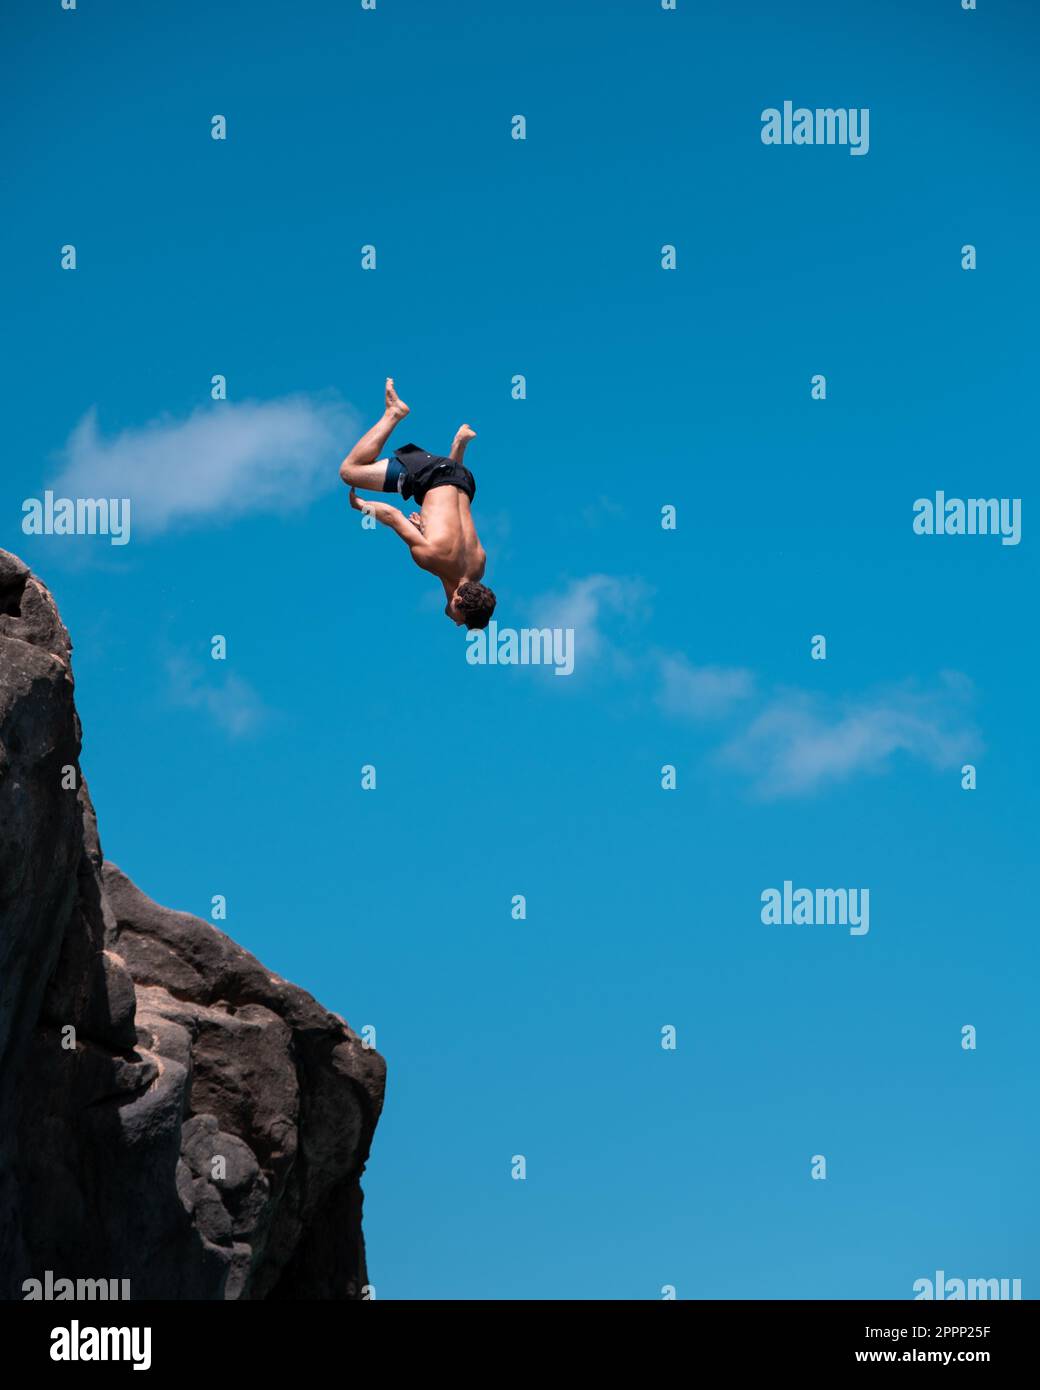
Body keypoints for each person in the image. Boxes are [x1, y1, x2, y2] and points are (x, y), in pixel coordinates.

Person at [339, 379, 497, 629]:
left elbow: (455, 525)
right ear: (457, 600)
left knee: (442, 494)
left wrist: (426, 529)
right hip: (431, 474)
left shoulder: (479, 568)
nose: (457, 624)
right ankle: (394, 413)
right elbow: (391, 515)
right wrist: (362, 506)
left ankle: (458, 445)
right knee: (350, 471)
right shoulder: (430, 558)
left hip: (463, 479)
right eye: (461, 620)